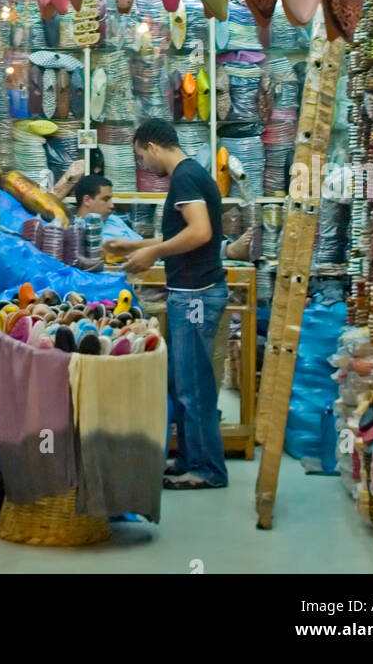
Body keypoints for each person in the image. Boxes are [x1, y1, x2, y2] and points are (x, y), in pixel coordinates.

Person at [120, 118, 230, 490]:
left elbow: (200, 232)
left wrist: (152, 252)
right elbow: (184, 233)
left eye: (140, 157)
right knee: (184, 381)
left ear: (152, 146)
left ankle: (207, 470)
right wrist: (133, 246)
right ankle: (188, 458)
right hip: (191, 291)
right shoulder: (191, 174)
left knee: (194, 385)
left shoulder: (184, 177)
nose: (143, 167)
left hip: (196, 295)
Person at [72, 174, 140, 243]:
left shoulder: (114, 220)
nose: (112, 205)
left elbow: (141, 244)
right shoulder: (75, 232)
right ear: (87, 200)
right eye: (105, 199)